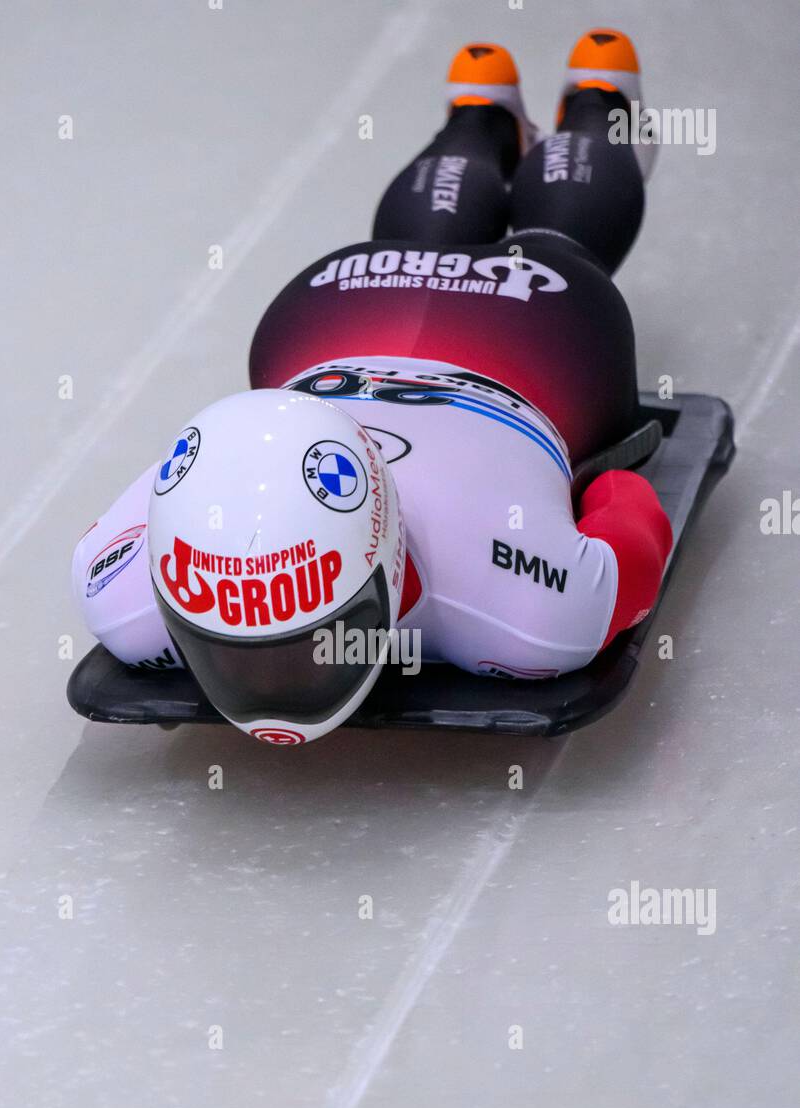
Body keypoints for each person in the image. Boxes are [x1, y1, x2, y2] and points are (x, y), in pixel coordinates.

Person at [73, 28, 673, 745]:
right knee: (538, 247)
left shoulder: (531, 615)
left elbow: (629, 515)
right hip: (365, 320)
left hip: (515, 340)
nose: (272, 687)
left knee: (551, 249)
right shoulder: (528, 610)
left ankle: (524, 113)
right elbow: (630, 509)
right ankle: (537, 110)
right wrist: (585, 487)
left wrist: (582, 490)